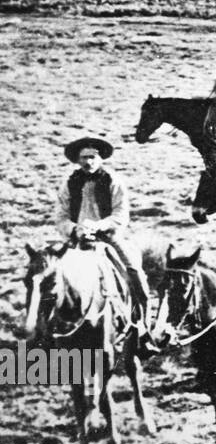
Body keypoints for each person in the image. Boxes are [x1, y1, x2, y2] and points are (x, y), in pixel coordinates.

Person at [55, 135, 156, 350]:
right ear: (77, 160)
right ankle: (47, 332)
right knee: (52, 276)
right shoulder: (69, 183)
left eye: (92, 157)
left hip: (108, 237)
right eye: (84, 157)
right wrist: (74, 229)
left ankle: (143, 330)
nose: (88, 162)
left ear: (100, 159)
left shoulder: (113, 181)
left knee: (134, 272)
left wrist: (99, 225)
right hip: (77, 239)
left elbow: (121, 214)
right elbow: (61, 216)